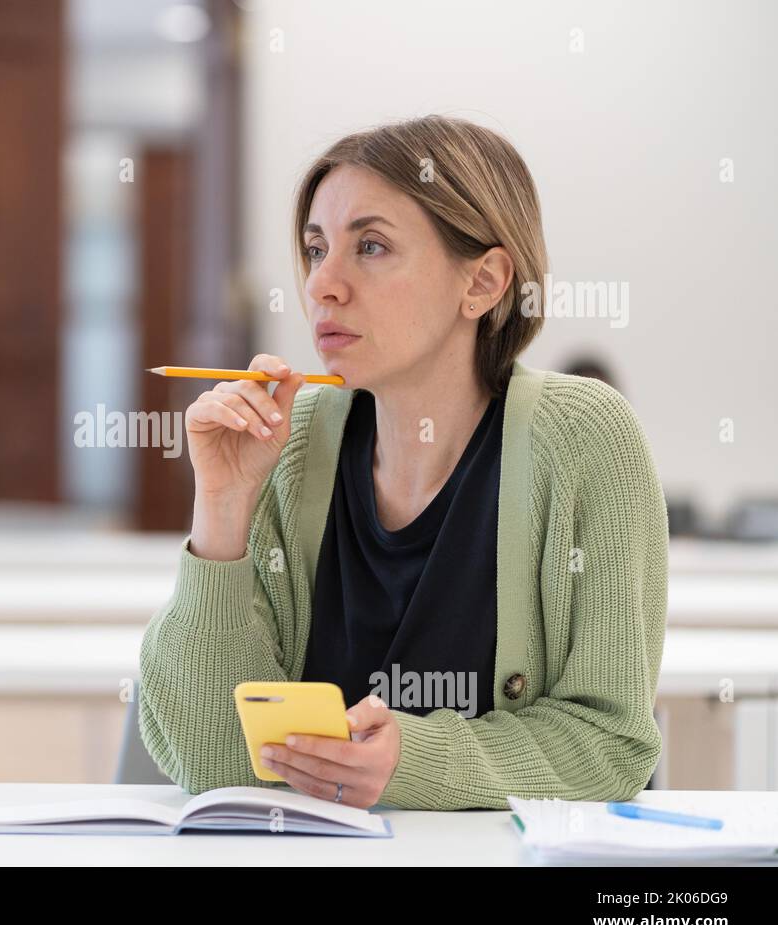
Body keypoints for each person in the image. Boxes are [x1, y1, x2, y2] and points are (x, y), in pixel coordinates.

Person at [138, 116, 668, 811]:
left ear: (482, 283)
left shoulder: (586, 439)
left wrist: (411, 760)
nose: (322, 284)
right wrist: (223, 508)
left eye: (372, 246)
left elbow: (609, 746)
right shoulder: (289, 444)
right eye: (315, 248)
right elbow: (214, 762)